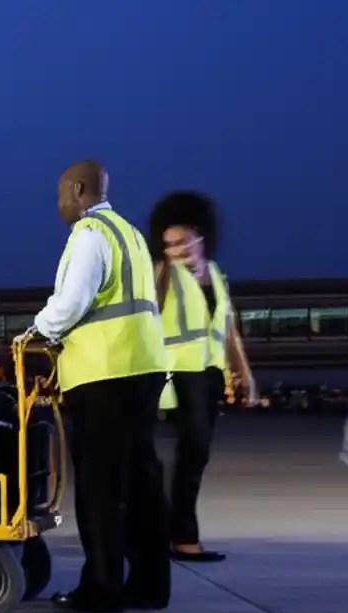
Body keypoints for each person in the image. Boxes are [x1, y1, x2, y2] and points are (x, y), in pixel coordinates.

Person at [19, 160, 171, 613]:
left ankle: (101, 588)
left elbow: (71, 303)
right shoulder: (131, 234)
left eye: (61, 193)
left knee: (101, 487)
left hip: (104, 373)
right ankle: (149, 585)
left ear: (79, 189)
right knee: (141, 481)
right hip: (143, 368)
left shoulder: (89, 235)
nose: (59, 203)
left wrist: (34, 331)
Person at [149, 192, 256, 563]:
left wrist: (244, 374)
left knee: (195, 459)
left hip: (208, 375)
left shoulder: (217, 276)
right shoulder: (161, 274)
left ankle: (175, 533)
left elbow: (228, 331)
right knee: (177, 458)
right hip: (174, 376)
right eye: (168, 244)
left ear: (199, 236)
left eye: (181, 241)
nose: (175, 249)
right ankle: (181, 537)